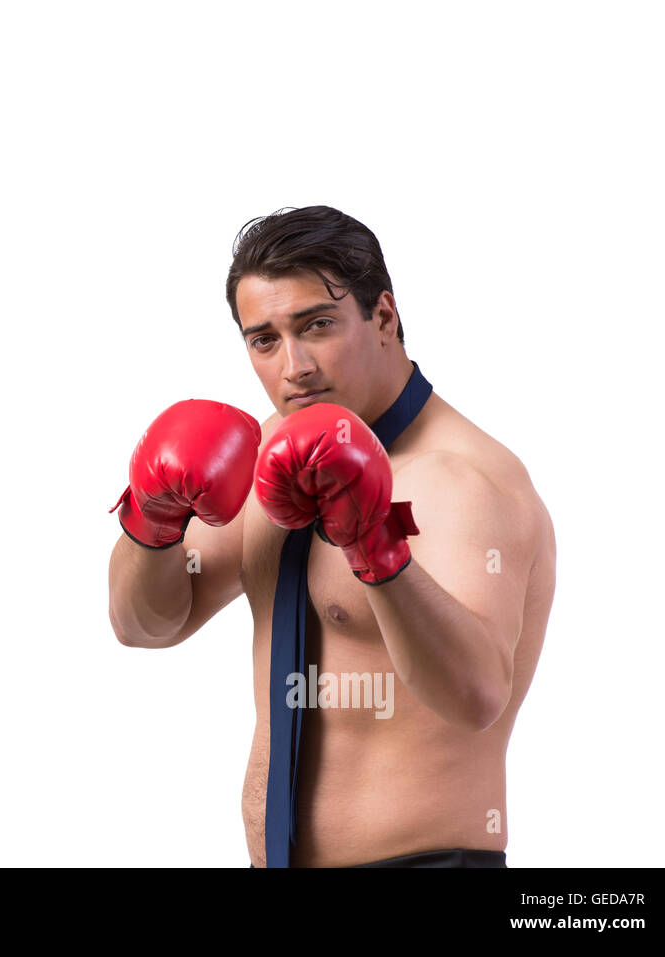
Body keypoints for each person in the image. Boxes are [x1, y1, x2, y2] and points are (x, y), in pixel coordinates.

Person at [107, 206, 556, 867]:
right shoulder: (266, 453)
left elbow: (476, 694)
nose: (295, 366)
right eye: (264, 340)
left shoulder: (467, 481)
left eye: (316, 325)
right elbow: (143, 625)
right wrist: (153, 519)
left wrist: (375, 545)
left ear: (383, 317)